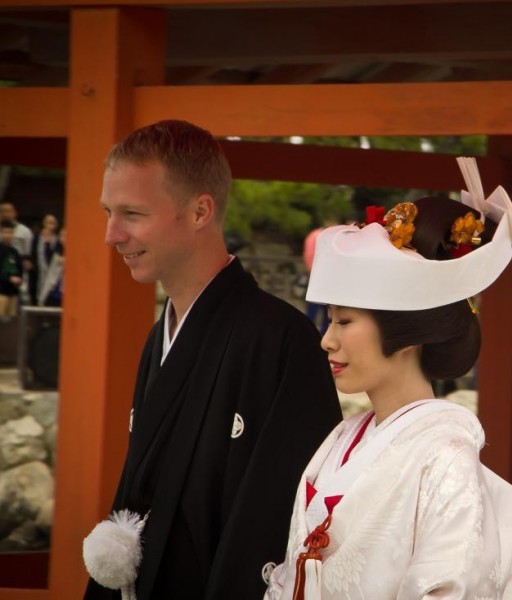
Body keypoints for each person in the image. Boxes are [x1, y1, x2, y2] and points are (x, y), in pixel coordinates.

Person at [83, 120, 343, 599]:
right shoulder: (160, 337)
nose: (111, 234)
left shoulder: (280, 341)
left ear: (201, 210)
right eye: (108, 212)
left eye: (132, 214)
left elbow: (282, 526)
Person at [265, 158, 512, 599]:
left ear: (407, 335)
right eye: (330, 321)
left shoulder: (446, 459)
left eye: (344, 322)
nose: (326, 341)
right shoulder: (343, 439)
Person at [303, 216, 339, 335]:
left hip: (319, 277)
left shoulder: (317, 235)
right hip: (319, 277)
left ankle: (316, 334)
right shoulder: (320, 236)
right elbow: (310, 255)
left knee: (324, 311)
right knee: (318, 310)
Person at [0, 201, 34, 302]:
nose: (6, 214)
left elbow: (29, 252)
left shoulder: (25, 231)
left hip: (18, 273)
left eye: (9, 211)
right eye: (3, 211)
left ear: (15, 213)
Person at [29, 213, 63, 306]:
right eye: (48, 222)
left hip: (53, 273)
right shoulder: (37, 238)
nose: (50, 225)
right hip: (38, 273)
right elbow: (32, 255)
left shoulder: (58, 239)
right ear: (44, 223)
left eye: (53, 223)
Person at [0, 219, 24, 319]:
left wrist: (19, 279)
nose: (8, 235)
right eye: (5, 232)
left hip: (13, 292)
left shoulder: (15, 252)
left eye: (10, 232)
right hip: (1, 292)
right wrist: (9, 278)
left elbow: (19, 269)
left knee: (12, 322)